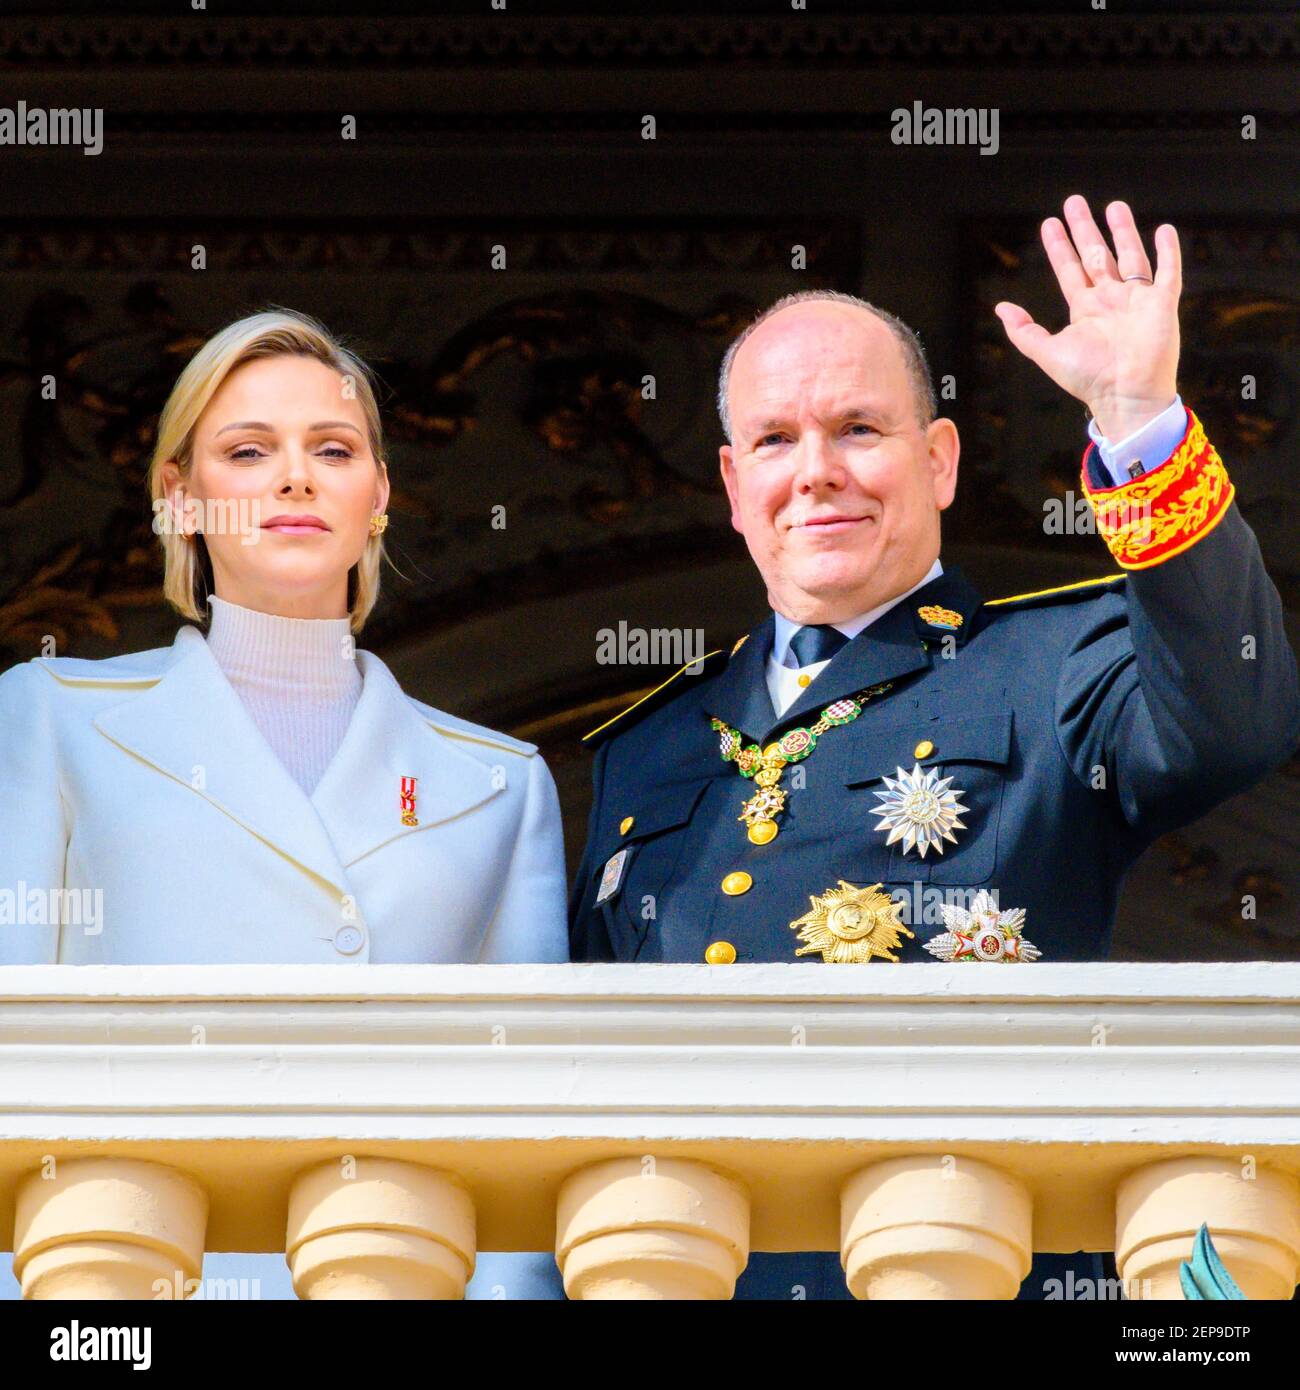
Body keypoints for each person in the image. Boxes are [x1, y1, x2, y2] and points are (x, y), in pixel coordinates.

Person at [568, 196, 1300, 1300]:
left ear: (940, 460)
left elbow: (1234, 718)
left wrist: (1139, 416)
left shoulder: (1057, 663)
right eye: (775, 439)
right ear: (732, 487)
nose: (814, 470)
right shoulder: (649, 747)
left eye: (857, 430)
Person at [0, 308, 568, 1297]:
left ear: (378, 493)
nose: (295, 476)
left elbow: (525, 1118)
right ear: (179, 496)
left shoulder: (503, 782)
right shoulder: (50, 719)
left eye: (334, 448)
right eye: (249, 449)